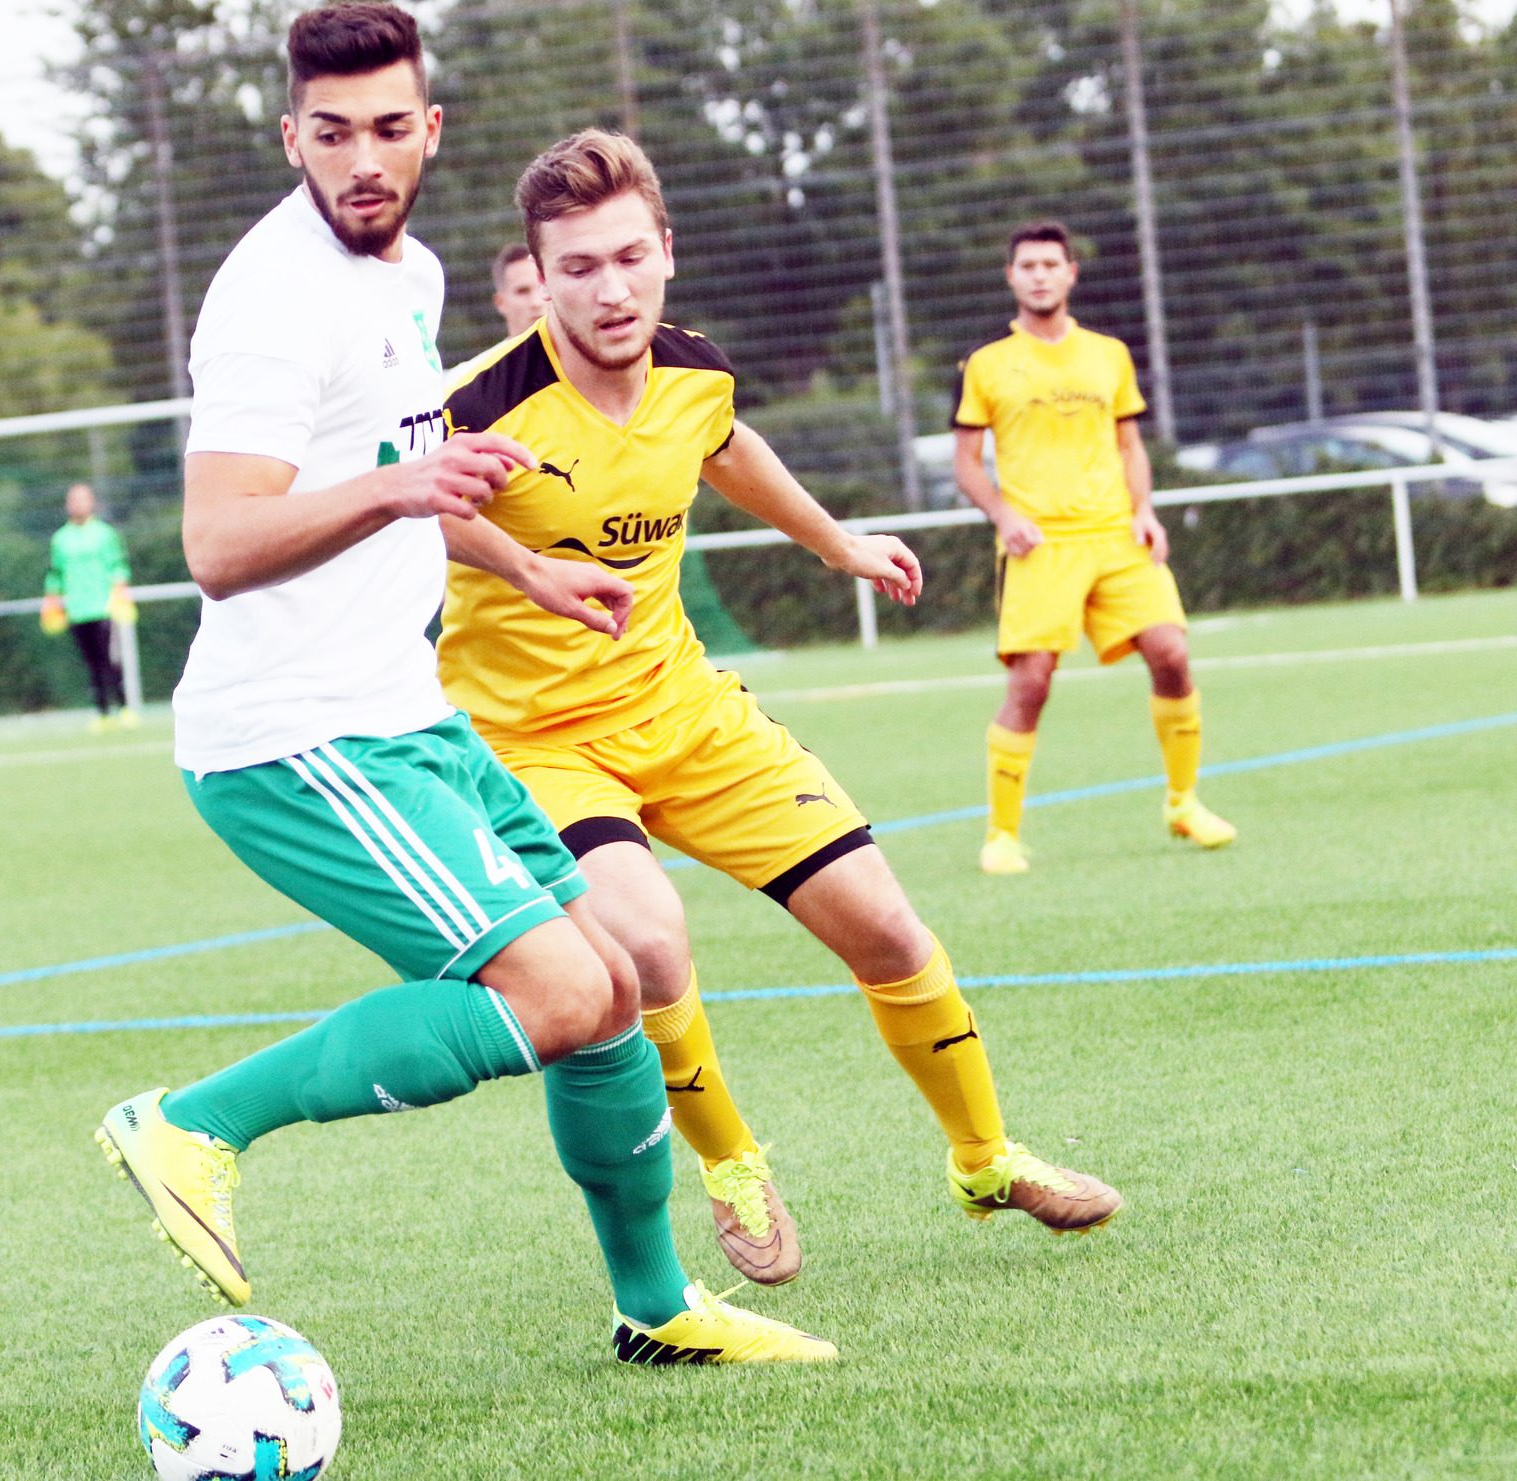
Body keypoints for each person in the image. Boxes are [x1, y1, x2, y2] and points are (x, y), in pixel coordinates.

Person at [94, 5, 832, 1367]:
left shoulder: (411, 275)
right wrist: (398, 487)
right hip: (300, 738)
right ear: (291, 136)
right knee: (558, 993)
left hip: (407, 712)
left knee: (610, 985)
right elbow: (218, 545)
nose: (362, 159)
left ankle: (658, 1307)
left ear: (429, 129)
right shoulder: (273, 301)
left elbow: (410, 472)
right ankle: (191, 1122)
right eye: (332, 134)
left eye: (389, 128)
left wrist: (524, 566)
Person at [440, 131, 1124, 1273]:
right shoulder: (476, 403)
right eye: (575, 267)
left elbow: (723, 444)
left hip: (685, 706)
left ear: (664, 249)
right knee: (650, 945)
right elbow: (404, 495)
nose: (607, 290)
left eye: (626, 258)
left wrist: (836, 543)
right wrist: (521, 568)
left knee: (887, 925)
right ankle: (730, 1165)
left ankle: (985, 1158)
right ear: (536, 273)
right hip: (537, 741)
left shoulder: (694, 370)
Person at [954, 221, 1235, 875]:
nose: (1040, 275)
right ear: (1012, 277)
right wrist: (1003, 513)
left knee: (1172, 652)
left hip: (1114, 533)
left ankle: (1184, 803)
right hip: (1040, 545)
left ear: (1071, 274)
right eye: (1028, 265)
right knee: (1032, 681)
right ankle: (1001, 834)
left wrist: (1145, 510)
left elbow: (1130, 444)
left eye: (1052, 263)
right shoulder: (987, 364)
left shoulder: (1109, 354)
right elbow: (967, 462)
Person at [41, 482, 137, 732]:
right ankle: (102, 712)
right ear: (68, 505)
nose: (78, 504)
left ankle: (125, 708)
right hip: (77, 609)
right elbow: (55, 574)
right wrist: (51, 601)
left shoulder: (105, 534)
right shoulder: (61, 539)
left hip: (104, 607)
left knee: (110, 660)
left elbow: (118, 566)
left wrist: (121, 591)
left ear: (91, 502)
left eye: (83, 499)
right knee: (92, 664)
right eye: (74, 500)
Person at [490, 241, 548, 337]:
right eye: (523, 291)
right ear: (500, 302)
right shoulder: (495, 353)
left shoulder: (580, 351)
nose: (536, 302)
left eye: (544, 288)